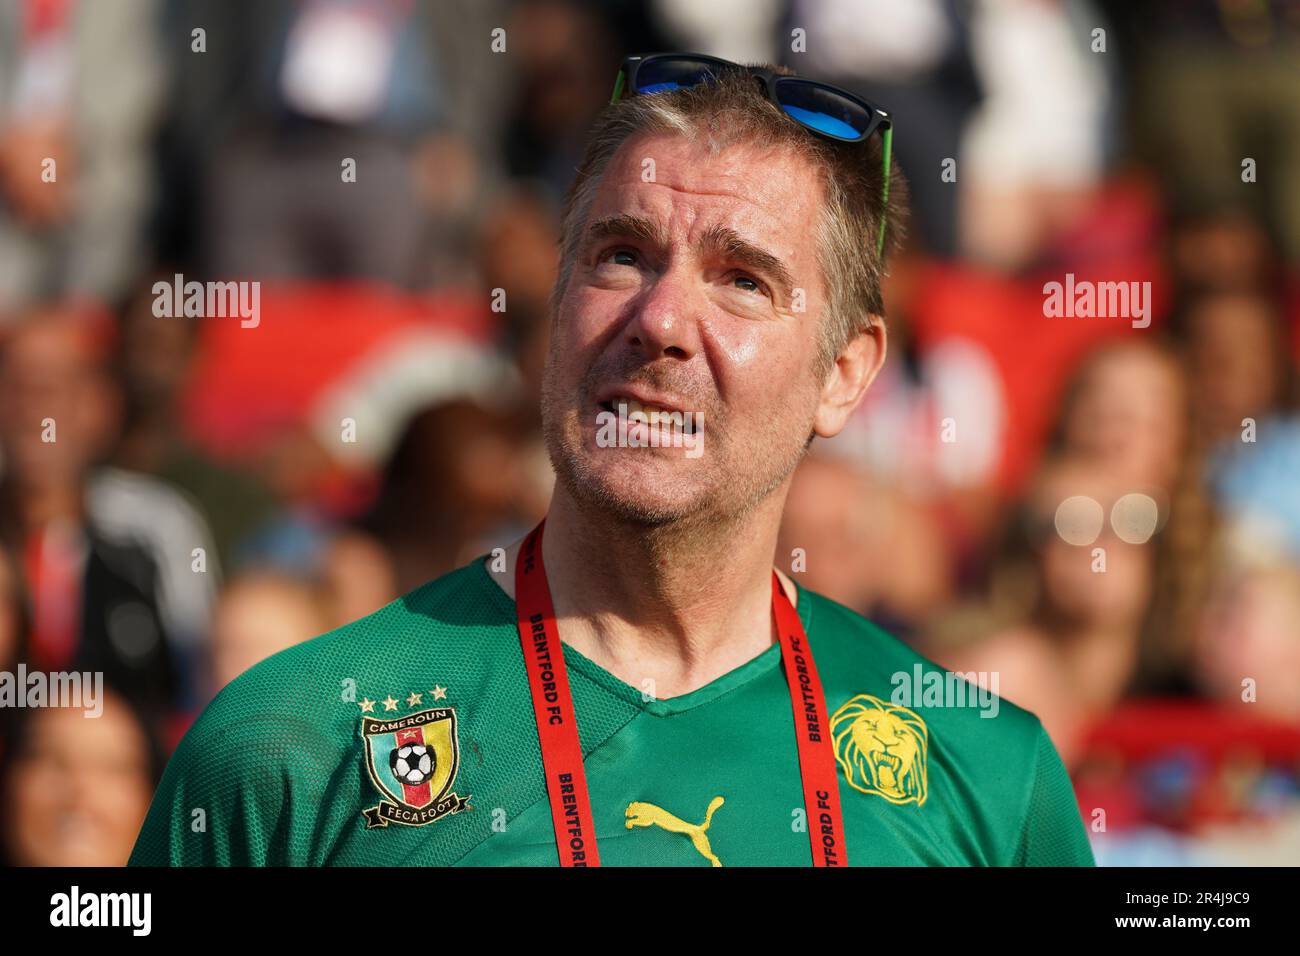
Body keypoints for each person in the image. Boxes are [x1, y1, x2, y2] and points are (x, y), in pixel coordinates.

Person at [130, 56, 1093, 866]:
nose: (662, 321)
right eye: (622, 256)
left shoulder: (988, 780)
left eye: (743, 281)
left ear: (844, 376)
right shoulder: (286, 745)